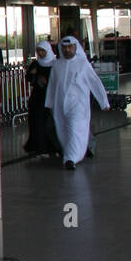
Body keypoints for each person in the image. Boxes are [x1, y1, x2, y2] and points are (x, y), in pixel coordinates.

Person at [46, 36, 109, 169]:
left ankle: (71, 159)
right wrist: (49, 103)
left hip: (78, 105)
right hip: (60, 105)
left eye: (70, 47)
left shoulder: (83, 64)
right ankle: (71, 154)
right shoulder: (57, 65)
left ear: (76, 48)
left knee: (75, 130)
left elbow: (95, 82)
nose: (67, 50)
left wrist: (104, 102)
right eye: (65, 48)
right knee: (63, 131)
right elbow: (52, 85)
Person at [23, 41, 58, 155]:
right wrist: (35, 76)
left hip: (50, 96)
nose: (41, 53)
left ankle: (52, 147)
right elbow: (29, 77)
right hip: (37, 97)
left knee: (49, 122)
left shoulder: (55, 64)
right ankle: (38, 146)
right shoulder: (36, 64)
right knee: (36, 121)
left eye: (43, 51)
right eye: (39, 51)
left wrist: (46, 81)